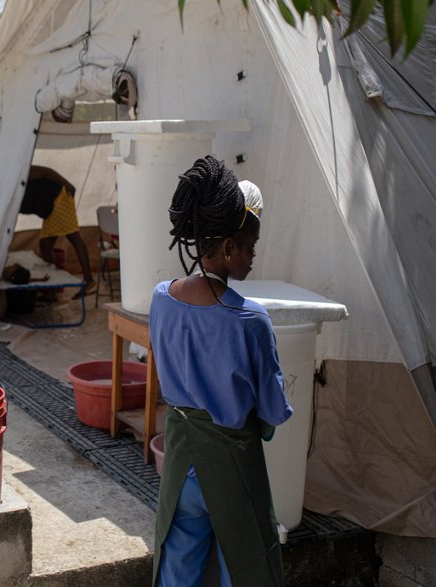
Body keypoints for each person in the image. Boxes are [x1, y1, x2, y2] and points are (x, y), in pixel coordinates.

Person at [149, 156, 292, 587]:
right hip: (231, 467)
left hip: (179, 465)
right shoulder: (250, 320)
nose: (253, 256)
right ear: (229, 248)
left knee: (178, 568)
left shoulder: (161, 298)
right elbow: (270, 410)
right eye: (250, 245)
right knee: (246, 569)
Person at [19, 165, 95, 297]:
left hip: (59, 198)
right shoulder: (5, 191)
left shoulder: (20, 171)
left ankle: (88, 280)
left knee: (74, 238)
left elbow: (46, 172)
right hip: (49, 209)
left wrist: (68, 185)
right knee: (45, 247)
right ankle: (53, 286)